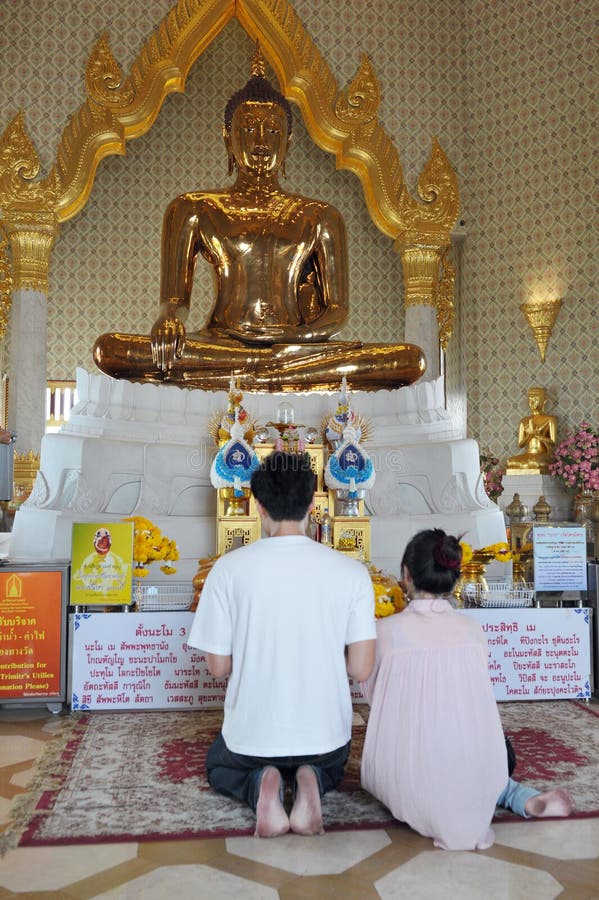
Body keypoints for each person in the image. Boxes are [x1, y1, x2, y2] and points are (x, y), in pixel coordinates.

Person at [93, 45, 425, 392]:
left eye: (272, 128)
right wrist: (168, 322)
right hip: (220, 343)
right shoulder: (194, 208)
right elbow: (174, 302)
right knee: (111, 350)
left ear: (289, 139)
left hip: (296, 346)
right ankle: (270, 374)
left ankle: (259, 372)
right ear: (228, 138)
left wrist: (294, 339)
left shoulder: (320, 216)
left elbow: (337, 310)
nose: (261, 139)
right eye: (249, 128)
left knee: (408, 359)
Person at [187, 450, 376, 837]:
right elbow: (360, 669)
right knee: (332, 763)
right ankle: (312, 779)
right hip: (326, 739)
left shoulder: (227, 569)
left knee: (220, 767)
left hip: (250, 739)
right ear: (311, 504)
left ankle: (261, 784)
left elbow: (218, 667)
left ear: (258, 506)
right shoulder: (352, 573)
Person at [359, 529, 573, 851]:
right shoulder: (474, 631)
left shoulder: (386, 631)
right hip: (475, 767)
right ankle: (515, 795)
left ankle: (487, 789)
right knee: (487, 755)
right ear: (454, 577)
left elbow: (375, 695)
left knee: (413, 753)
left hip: (409, 779)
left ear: (406, 575)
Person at [506, 386, 557, 473]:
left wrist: (538, 435)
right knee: (510, 461)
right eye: (530, 399)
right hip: (528, 454)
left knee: (535, 462)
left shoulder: (550, 419)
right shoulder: (524, 421)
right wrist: (530, 435)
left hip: (543, 454)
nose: (532, 402)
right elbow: (521, 444)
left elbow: (553, 442)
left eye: (535, 399)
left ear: (544, 401)